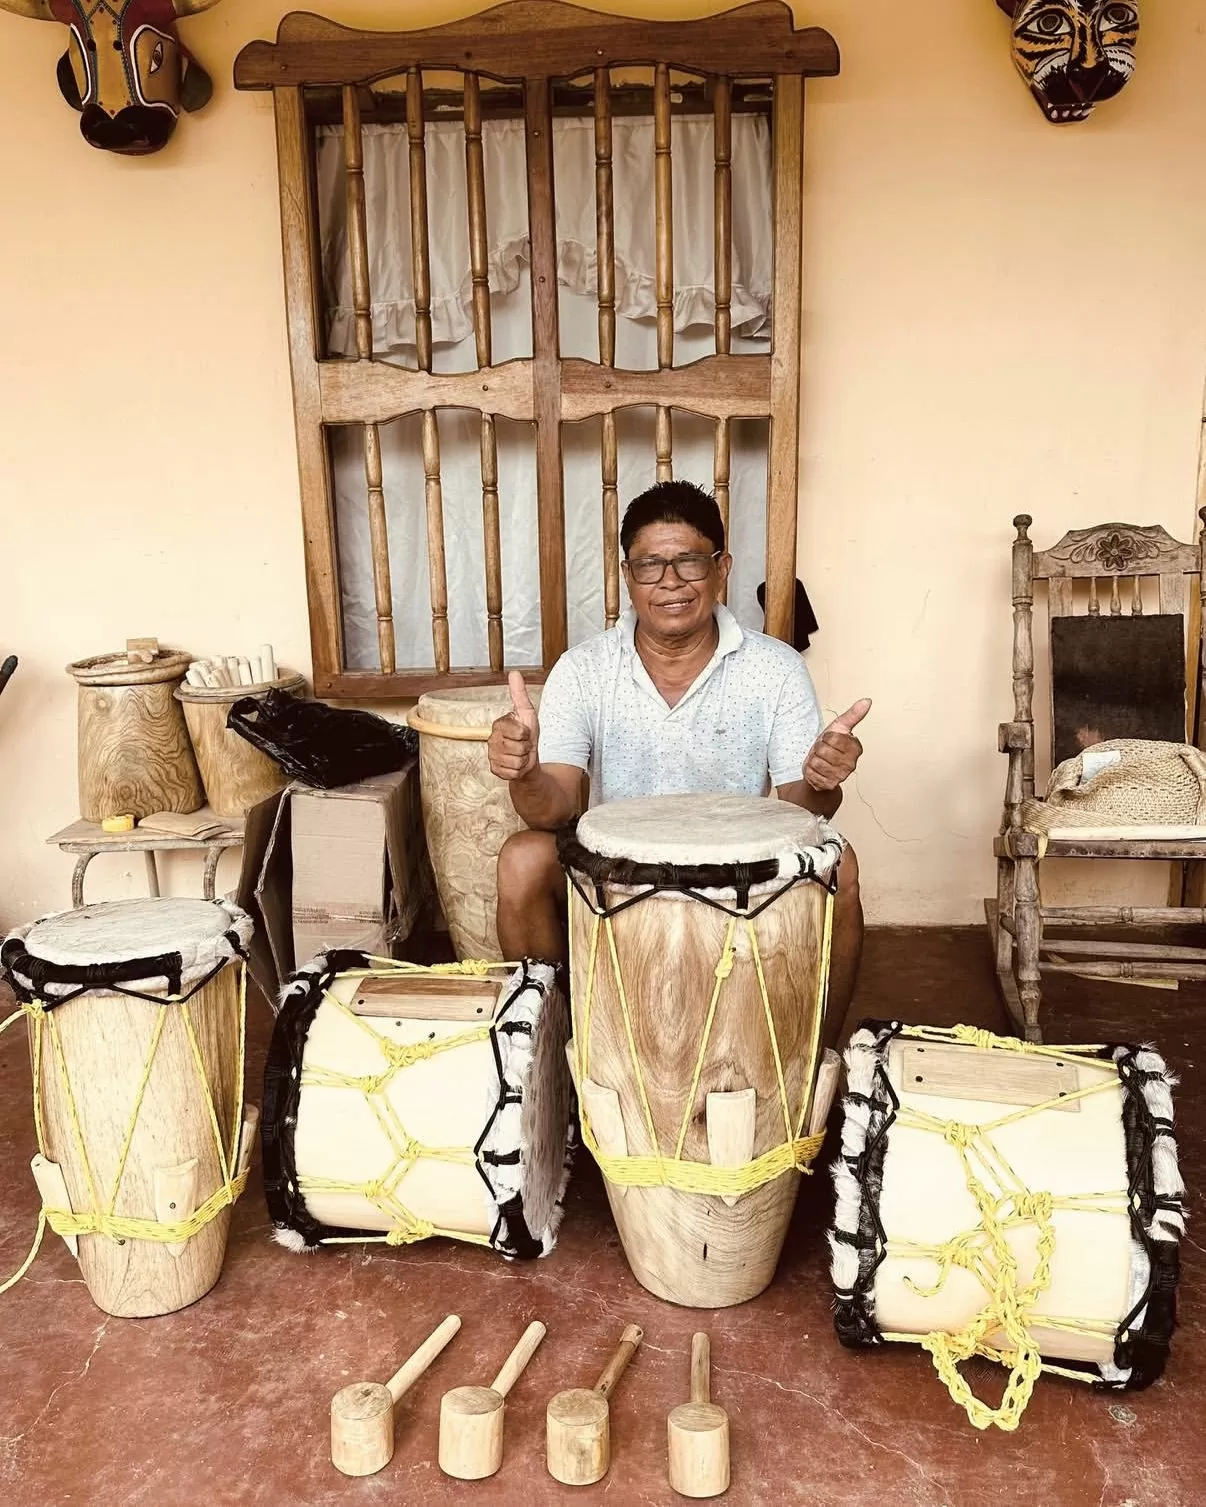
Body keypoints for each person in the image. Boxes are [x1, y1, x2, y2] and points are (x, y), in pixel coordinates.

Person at [487, 480, 869, 1042]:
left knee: (843, 864)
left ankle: (816, 1059)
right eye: (649, 565)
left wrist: (822, 777)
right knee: (523, 858)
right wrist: (525, 774)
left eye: (689, 561)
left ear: (721, 569)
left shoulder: (775, 668)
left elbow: (804, 809)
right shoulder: (584, 668)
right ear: (627, 576)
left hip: (740, 875)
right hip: (613, 873)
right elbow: (554, 809)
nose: (670, 581)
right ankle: (553, 1052)